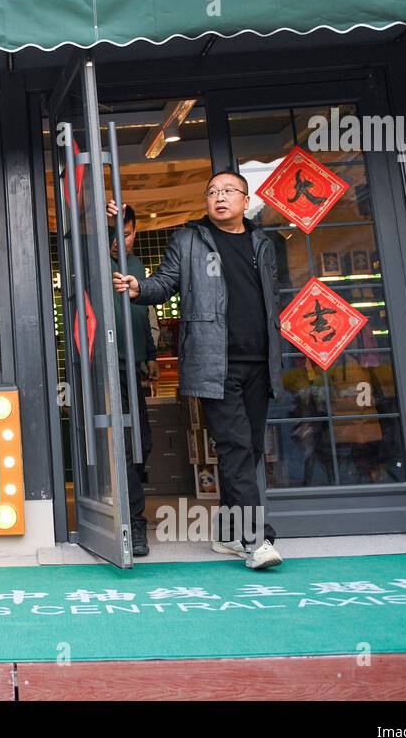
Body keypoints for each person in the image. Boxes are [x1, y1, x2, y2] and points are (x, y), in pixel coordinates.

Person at [113, 170, 284, 569]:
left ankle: (226, 533)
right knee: (236, 447)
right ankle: (256, 539)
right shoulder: (189, 239)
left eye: (228, 192)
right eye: (212, 192)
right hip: (214, 363)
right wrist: (140, 288)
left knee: (250, 448)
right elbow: (166, 282)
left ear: (246, 199)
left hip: (259, 361)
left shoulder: (262, 243)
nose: (219, 198)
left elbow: (270, 301)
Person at [105, 200, 158, 556]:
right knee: (125, 442)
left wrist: (152, 355)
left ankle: (130, 505)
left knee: (144, 441)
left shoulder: (138, 264)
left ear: (134, 233)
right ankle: (132, 521)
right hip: (106, 365)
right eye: (112, 234)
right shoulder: (96, 262)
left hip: (134, 365)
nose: (117, 241)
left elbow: (146, 307)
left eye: (124, 234)